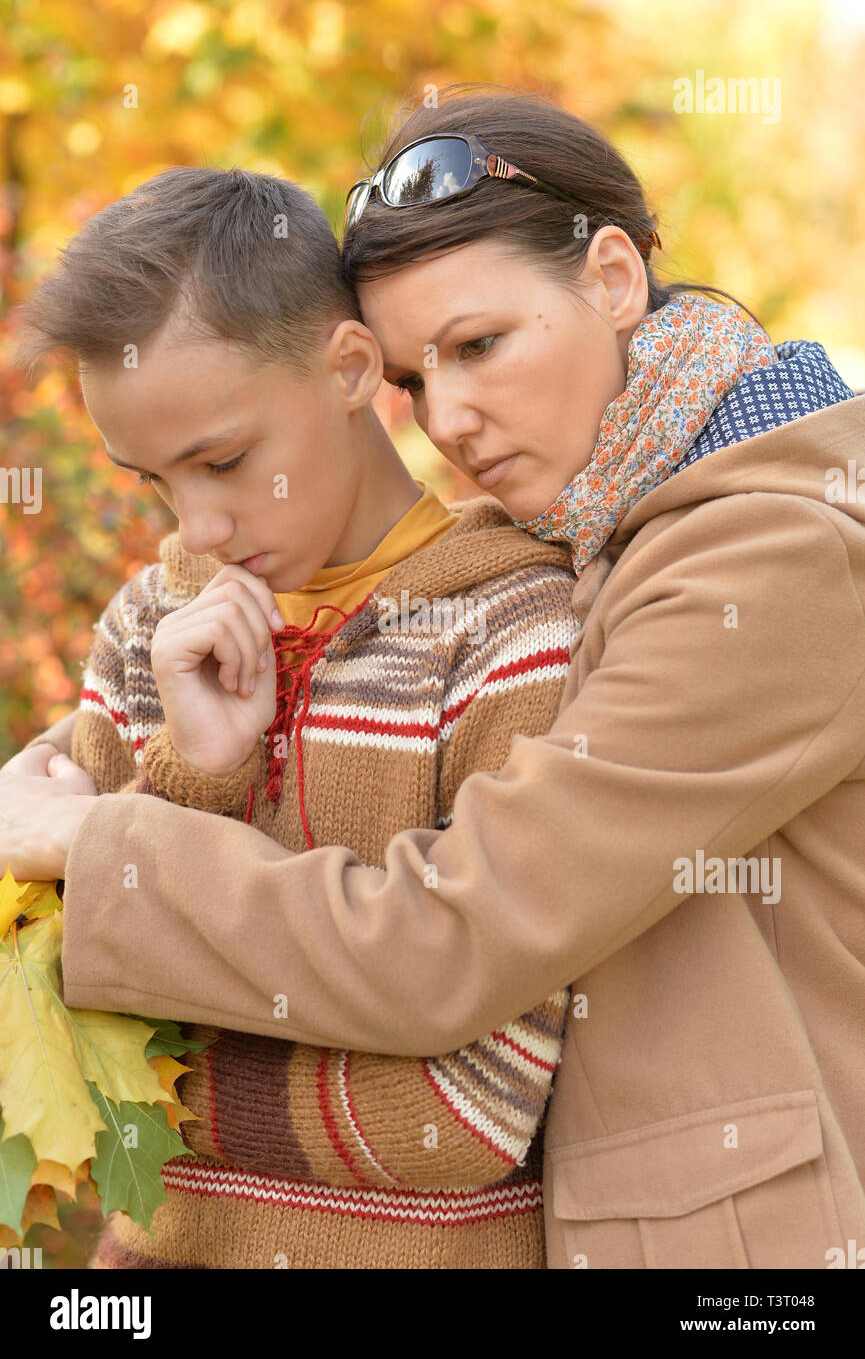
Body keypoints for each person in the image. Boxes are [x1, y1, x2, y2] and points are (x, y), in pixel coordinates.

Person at [6, 86, 865, 1270]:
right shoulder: (603, 523)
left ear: (614, 277)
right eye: (414, 378)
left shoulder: (774, 559)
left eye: (480, 345)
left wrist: (96, 848)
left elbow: (450, 945)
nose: (447, 419)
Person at [3, 162, 583, 1268]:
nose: (199, 527)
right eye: (151, 480)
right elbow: (68, 1071)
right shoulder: (148, 629)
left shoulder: (514, 635)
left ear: (351, 369)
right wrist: (191, 775)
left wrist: (129, 916)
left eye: (224, 461)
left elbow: (466, 1111)